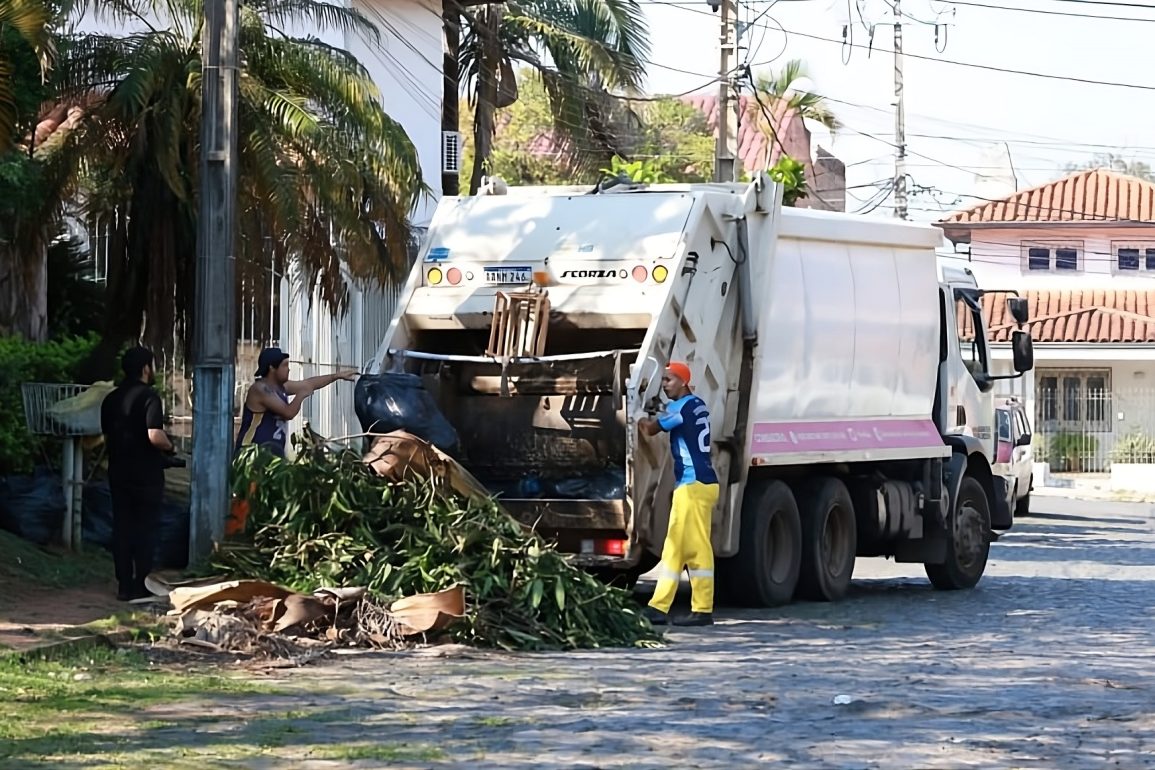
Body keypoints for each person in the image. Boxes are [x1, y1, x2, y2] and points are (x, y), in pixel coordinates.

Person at [638, 361, 720, 627]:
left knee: (676, 546)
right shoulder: (698, 405)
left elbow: (650, 430)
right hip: (706, 484)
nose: (664, 385)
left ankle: (662, 608)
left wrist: (636, 416)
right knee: (693, 548)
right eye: (663, 380)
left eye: (669, 380)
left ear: (684, 382)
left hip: (691, 485)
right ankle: (699, 609)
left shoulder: (680, 408)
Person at [100, 346, 175, 601]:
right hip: (146, 474)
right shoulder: (149, 397)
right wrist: (170, 445)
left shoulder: (111, 399)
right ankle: (142, 584)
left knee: (122, 527)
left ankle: (123, 585)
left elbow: (107, 434)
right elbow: (154, 436)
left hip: (118, 472)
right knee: (145, 528)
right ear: (145, 368)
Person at [235, 346, 359, 457]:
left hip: (272, 453)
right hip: (252, 452)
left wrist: (336, 376)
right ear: (272, 368)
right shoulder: (261, 389)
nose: (288, 370)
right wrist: (300, 395)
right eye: (284, 366)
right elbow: (288, 413)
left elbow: (308, 384)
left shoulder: (280, 387)